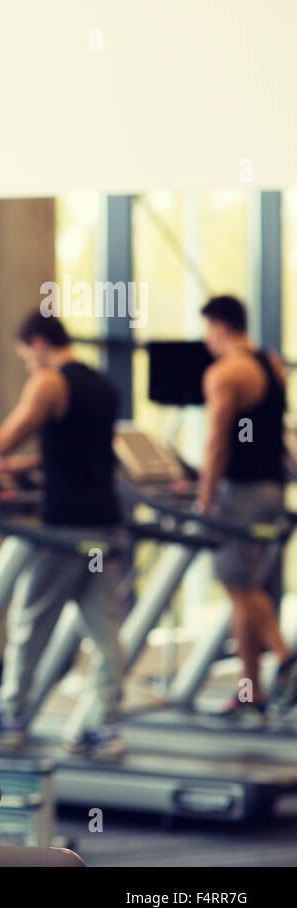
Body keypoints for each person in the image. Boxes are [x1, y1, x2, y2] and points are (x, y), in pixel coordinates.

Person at [0, 310, 127, 760]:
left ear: (37, 342)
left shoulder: (49, 382)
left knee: (31, 621)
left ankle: (12, 718)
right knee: (104, 629)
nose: (29, 367)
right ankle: (107, 727)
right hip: (105, 524)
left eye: (26, 358)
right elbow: (85, 451)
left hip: (63, 526)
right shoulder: (102, 385)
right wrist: (28, 467)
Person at [198, 294, 297, 720]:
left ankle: (286, 655)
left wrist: (204, 498)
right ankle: (250, 690)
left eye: (206, 331)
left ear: (218, 327)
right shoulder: (271, 364)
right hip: (271, 488)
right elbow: (274, 428)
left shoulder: (225, 372)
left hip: (241, 493)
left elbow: (220, 441)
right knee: (242, 588)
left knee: (242, 587)